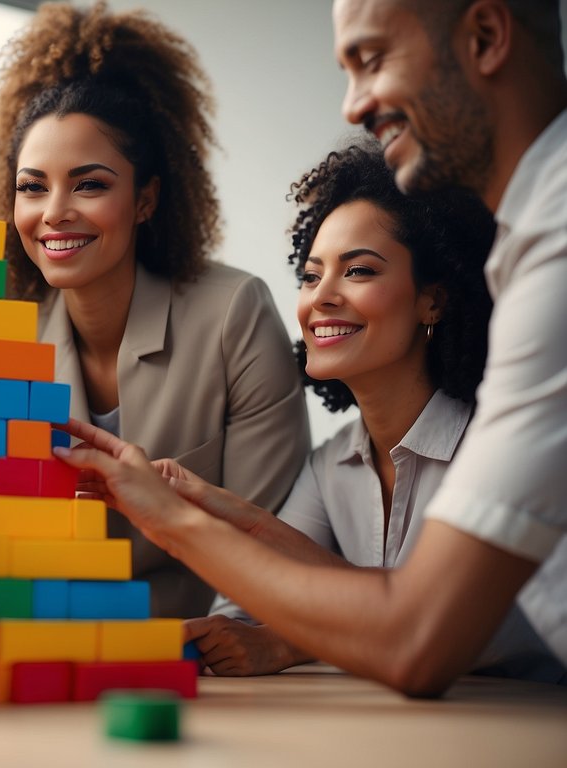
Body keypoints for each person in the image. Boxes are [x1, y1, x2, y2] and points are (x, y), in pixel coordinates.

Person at [53, 0, 567, 695]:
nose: (353, 105)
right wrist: (208, 504)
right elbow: (372, 593)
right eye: (311, 274)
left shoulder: (555, 248)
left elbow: (418, 633)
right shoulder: (337, 463)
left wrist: (168, 517)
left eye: (372, 59)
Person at [0, 2, 310, 618]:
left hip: (205, 660)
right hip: (45, 650)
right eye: (32, 186)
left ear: (146, 199)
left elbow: (266, 538)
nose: (54, 211)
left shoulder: (233, 314)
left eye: (90, 184)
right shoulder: (3, 333)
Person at [194, 143, 560, 682]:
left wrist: (289, 641)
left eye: (358, 271)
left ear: (432, 301)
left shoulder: (498, 449)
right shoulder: (331, 465)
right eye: (312, 275)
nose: (322, 297)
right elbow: (243, 614)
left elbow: (451, 629)